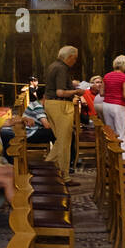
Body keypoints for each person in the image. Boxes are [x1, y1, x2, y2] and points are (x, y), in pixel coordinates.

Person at [43, 45, 80, 181]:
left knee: (61, 140)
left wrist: (72, 84)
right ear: (69, 57)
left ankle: (50, 168)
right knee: (65, 142)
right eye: (74, 58)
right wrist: (77, 91)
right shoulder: (62, 68)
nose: (75, 61)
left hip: (51, 104)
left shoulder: (53, 65)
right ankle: (64, 176)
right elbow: (60, 92)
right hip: (60, 105)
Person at [102, 55, 125, 157]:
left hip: (106, 105)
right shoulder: (124, 77)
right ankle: (122, 157)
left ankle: (110, 154)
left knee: (110, 132)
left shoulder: (107, 75)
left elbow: (101, 93)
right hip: (118, 106)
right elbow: (124, 95)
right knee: (120, 131)